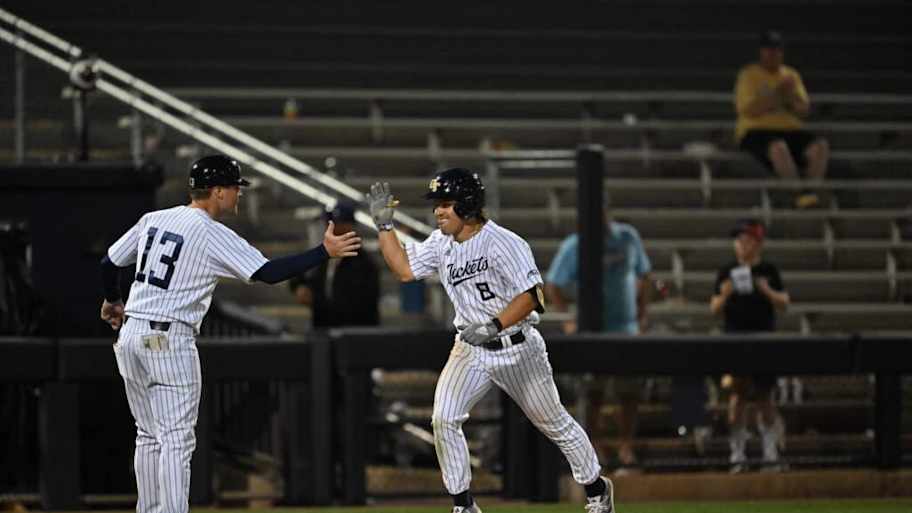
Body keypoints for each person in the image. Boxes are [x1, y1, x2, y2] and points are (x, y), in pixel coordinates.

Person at [98, 155, 360, 513]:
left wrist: (113, 299)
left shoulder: (154, 219)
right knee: (175, 439)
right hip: (168, 339)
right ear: (218, 191)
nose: (239, 194)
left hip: (131, 337)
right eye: (235, 188)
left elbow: (108, 263)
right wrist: (322, 252)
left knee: (148, 435)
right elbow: (267, 273)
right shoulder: (210, 232)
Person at [367, 169, 615, 513]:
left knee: (554, 423)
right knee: (444, 418)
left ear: (467, 205)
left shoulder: (504, 242)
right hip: (470, 349)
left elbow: (533, 296)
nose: (438, 211)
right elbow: (404, 270)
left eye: (446, 204)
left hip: (518, 348)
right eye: (437, 205)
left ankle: (596, 489)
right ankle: (463, 505)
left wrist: (494, 325)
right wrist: (384, 228)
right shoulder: (442, 243)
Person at [544, 213, 652, 472]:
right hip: (593, 329)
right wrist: (569, 321)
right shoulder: (575, 245)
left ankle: (626, 445)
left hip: (626, 328)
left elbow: (645, 275)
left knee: (629, 391)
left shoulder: (627, 237)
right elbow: (553, 285)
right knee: (594, 391)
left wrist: (642, 313)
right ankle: (594, 445)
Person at [710, 219, 790, 473]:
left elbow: (784, 302)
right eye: (738, 241)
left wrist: (765, 289)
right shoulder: (726, 271)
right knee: (737, 396)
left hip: (763, 339)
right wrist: (726, 293)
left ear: (757, 243)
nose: (741, 245)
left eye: (746, 240)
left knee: (765, 396)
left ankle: (770, 453)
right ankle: (738, 454)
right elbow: (713, 308)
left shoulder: (769, 270)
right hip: (735, 339)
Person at [735, 30, 830, 209]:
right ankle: (798, 194)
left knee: (820, 147)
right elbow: (749, 110)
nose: (773, 54)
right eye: (769, 49)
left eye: (777, 50)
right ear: (761, 52)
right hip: (756, 130)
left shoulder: (791, 76)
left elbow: (803, 110)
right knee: (779, 148)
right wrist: (779, 94)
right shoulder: (749, 75)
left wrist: (787, 99)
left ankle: (810, 191)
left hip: (790, 129)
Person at [289, 200, 380, 329]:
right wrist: (300, 286)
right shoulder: (326, 256)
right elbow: (301, 275)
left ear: (349, 227)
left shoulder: (363, 264)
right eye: (328, 223)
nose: (329, 228)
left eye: (335, 224)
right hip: (324, 333)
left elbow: (351, 307)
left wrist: (315, 301)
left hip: (353, 337)